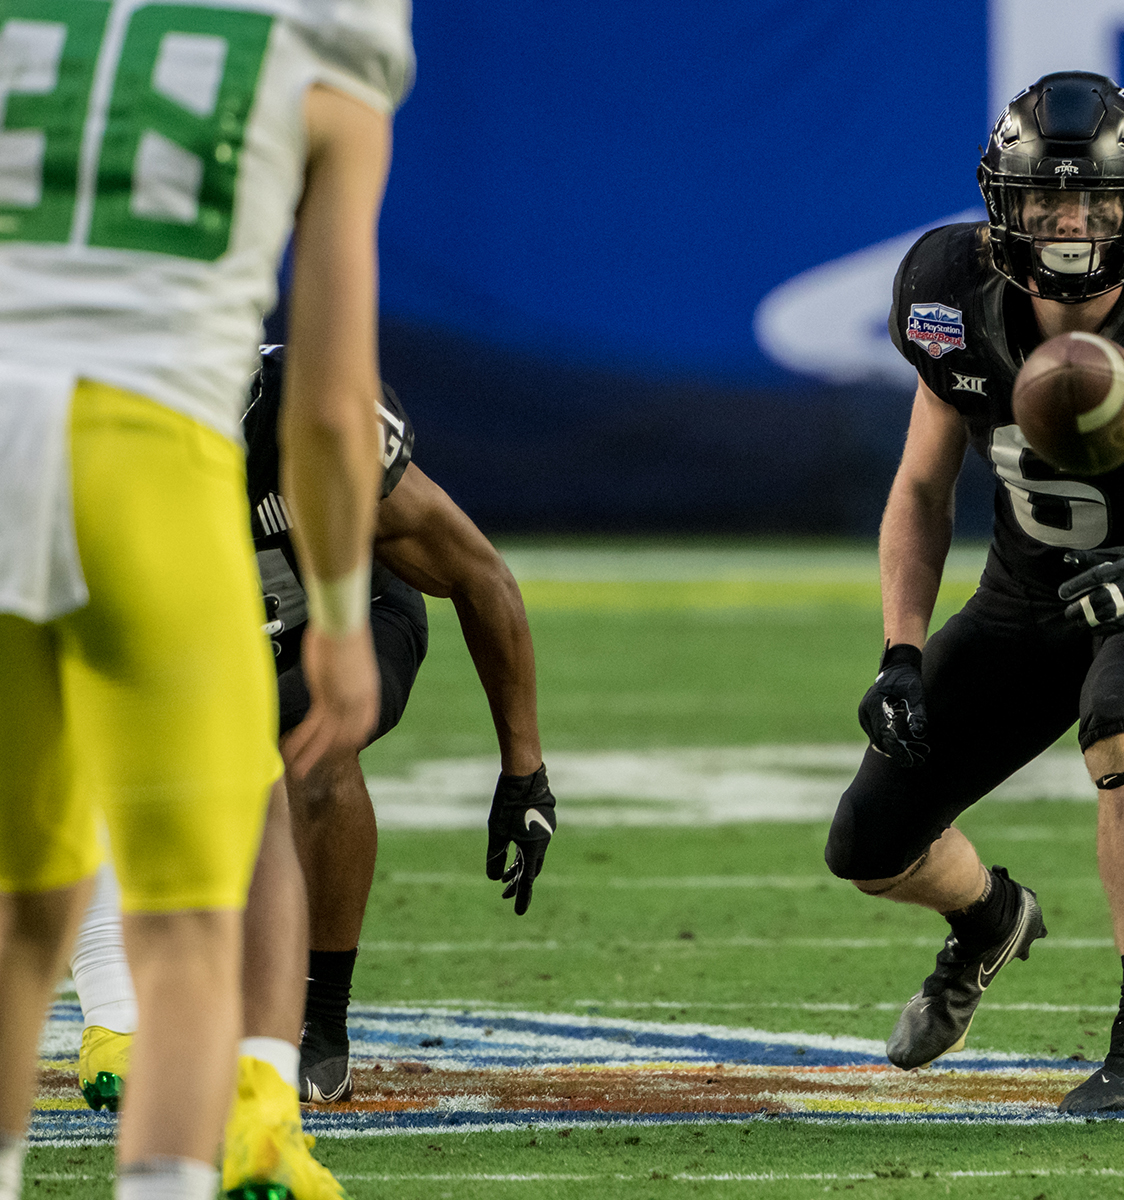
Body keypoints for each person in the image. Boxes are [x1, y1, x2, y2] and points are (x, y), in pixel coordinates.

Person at [823, 71, 1124, 1113]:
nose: (1068, 223)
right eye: (1047, 198)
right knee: (868, 844)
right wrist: (900, 651)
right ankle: (987, 917)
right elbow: (920, 490)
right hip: (1026, 596)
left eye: (1094, 199)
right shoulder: (953, 295)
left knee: (1120, 719)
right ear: (1002, 204)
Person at [0, 4, 411, 1199]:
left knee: (19, 909)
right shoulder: (323, 48)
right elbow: (328, 407)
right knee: (190, 921)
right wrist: (341, 620)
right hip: (152, 463)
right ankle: (214, 1150)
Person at [70, 347, 557, 1114]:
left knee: (307, 743)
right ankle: (125, 1009)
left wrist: (523, 771)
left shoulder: (313, 422)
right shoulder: (90, 445)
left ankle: (321, 1026)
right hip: (205, 647)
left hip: (349, 622)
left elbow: (476, 573)